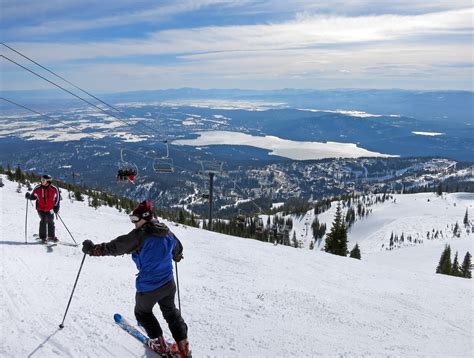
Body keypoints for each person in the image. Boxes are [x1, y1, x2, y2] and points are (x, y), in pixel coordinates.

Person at [81, 200, 190, 357]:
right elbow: (178, 248)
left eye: (135, 219)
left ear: (145, 218)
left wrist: (92, 249)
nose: (133, 223)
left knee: (142, 313)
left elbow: (115, 247)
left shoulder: (140, 235)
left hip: (149, 287)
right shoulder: (167, 232)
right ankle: (183, 348)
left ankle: (159, 344)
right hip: (168, 284)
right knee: (171, 312)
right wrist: (177, 256)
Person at [25, 174, 61, 243]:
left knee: (51, 221)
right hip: (40, 208)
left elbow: (57, 199)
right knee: (43, 220)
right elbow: (34, 196)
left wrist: (56, 207)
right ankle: (43, 237)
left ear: (48, 181)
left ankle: (51, 236)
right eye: (41, 179)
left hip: (51, 209)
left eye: (43, 180)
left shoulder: (54, 189)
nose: (41, 181)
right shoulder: (38, 188)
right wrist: (29, 196)